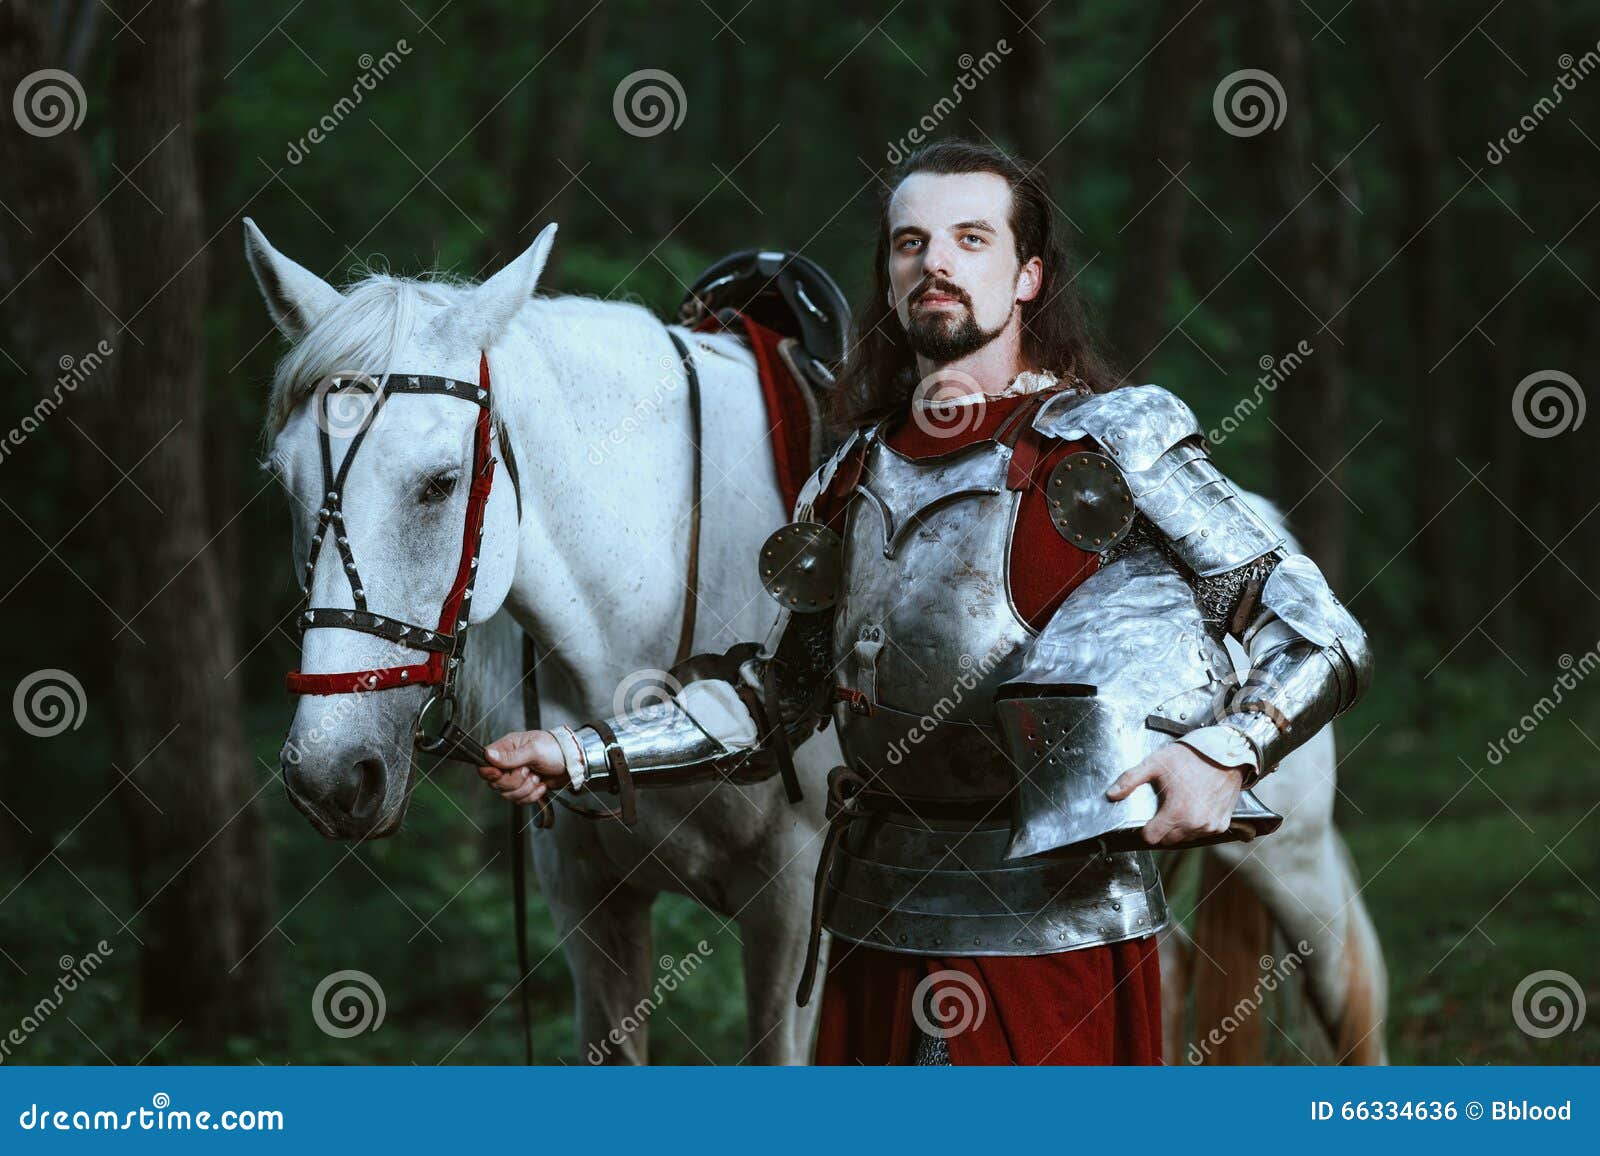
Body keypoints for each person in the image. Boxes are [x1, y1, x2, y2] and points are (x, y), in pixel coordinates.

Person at [477, 139, 1372, 1065]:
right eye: (911, 242)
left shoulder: (1114, 443)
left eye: (970, 239)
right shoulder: (846, 479)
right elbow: (775, 700)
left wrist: (1228, 752)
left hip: (1058, 935)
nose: (935, 261)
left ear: (1028, 277)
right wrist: (581, 752)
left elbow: (1321, 636)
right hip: (874, 928)